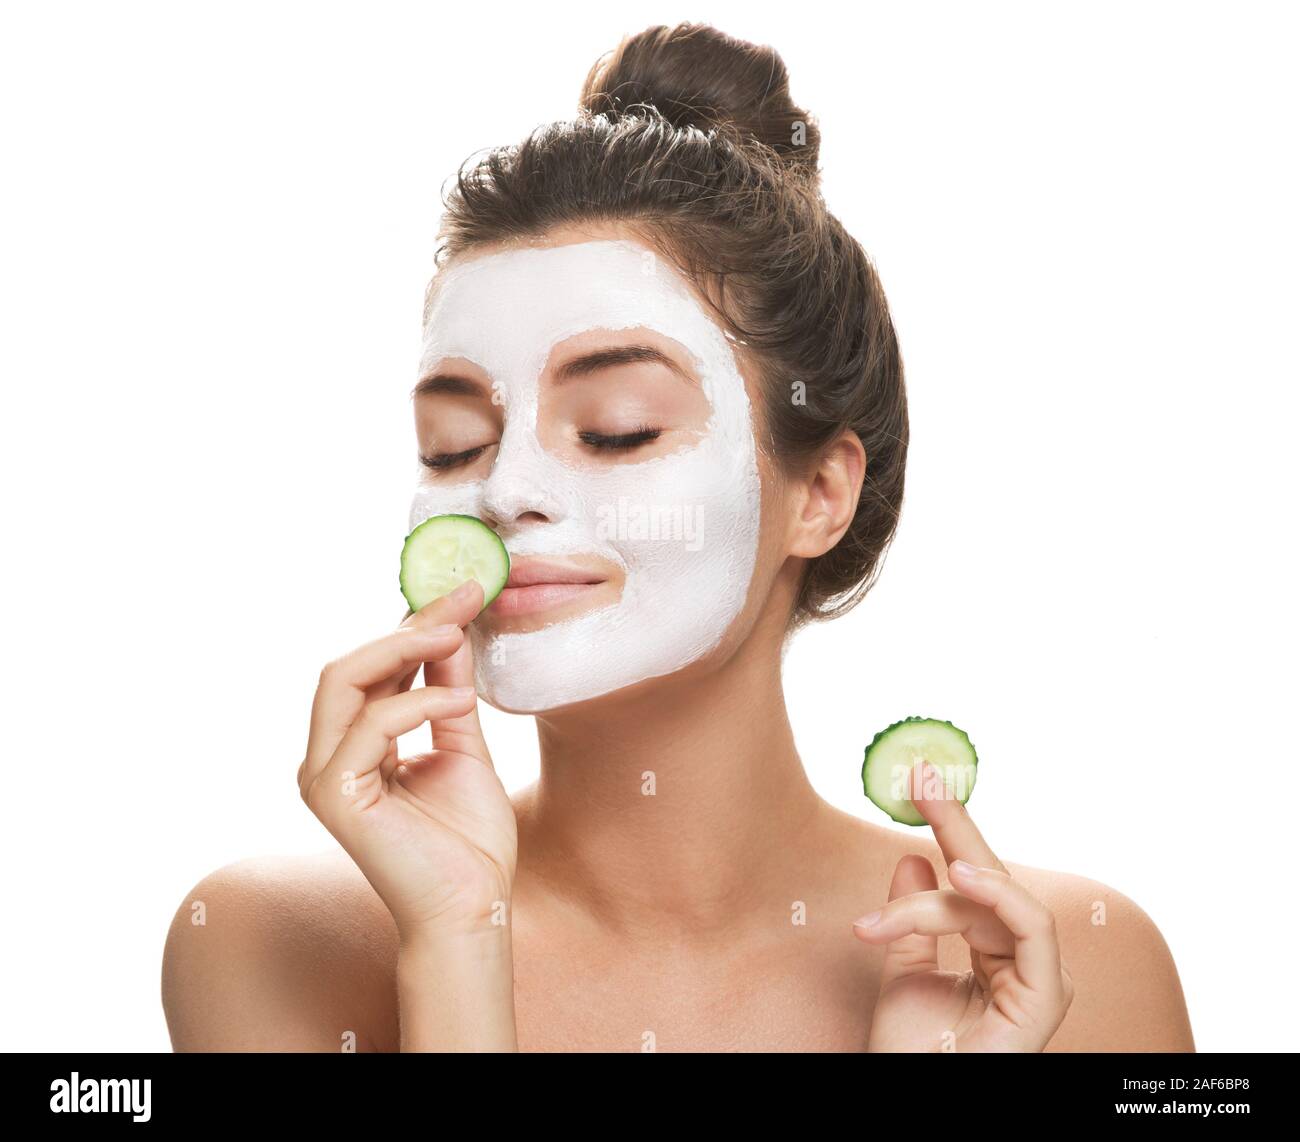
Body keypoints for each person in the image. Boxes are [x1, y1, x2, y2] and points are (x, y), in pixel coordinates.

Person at [162, 22, 1194, 1052]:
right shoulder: (281, 942)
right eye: (453, 444)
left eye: (617, 429)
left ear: (820, 493)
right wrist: (457, 939)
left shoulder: (1067, 971)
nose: (506, 488)